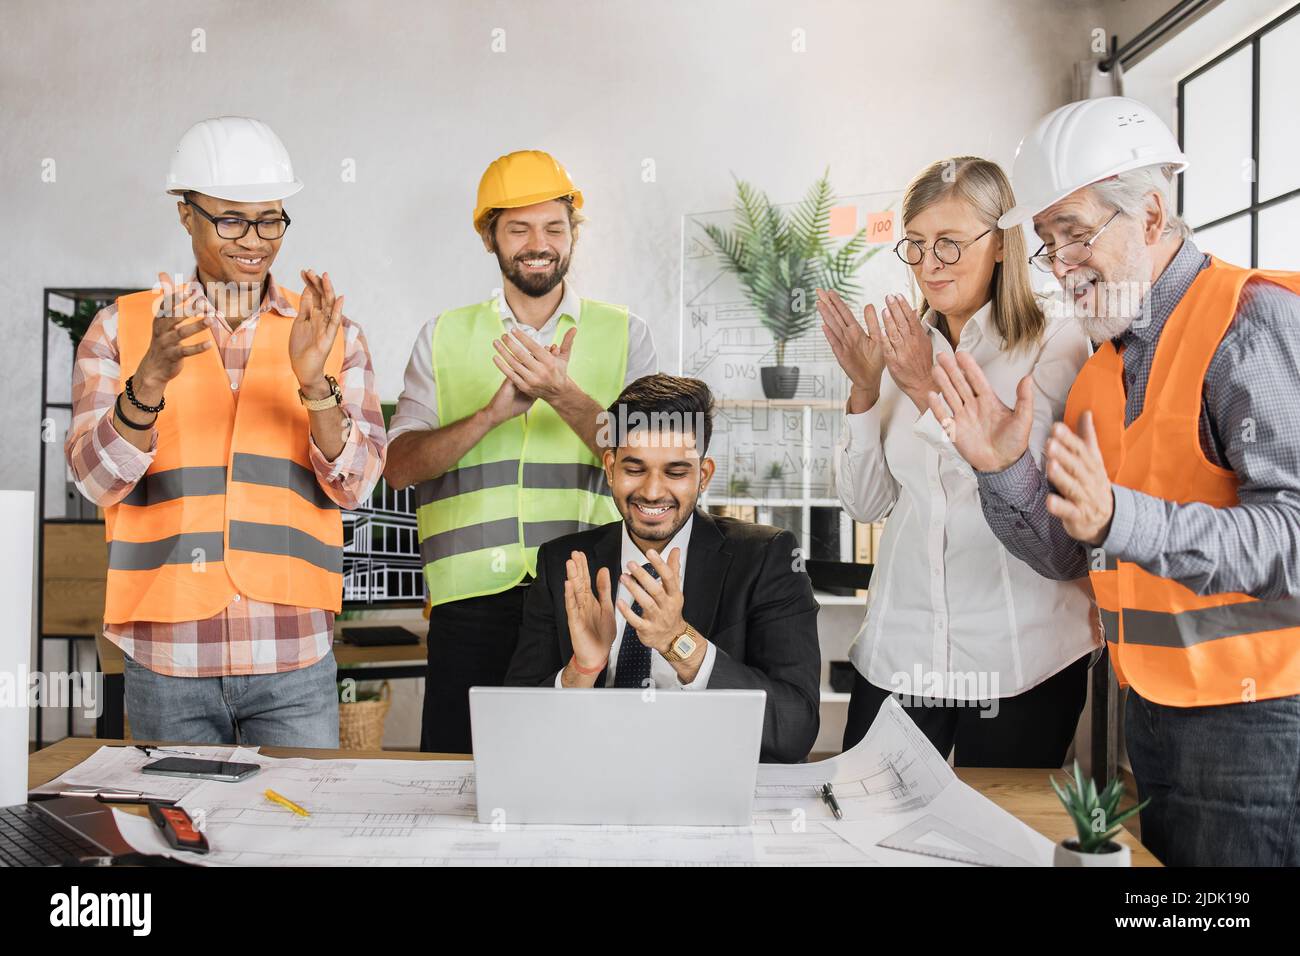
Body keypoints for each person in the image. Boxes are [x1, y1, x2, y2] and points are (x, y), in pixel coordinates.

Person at [935, 96, 1300, 866]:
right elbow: (1074, 554)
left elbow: (1292, 538)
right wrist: (1003, 470)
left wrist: (1120, 519)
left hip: (1261, 716)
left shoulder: (1248, 324)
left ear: (1151, 215)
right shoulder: (1104, 369)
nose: (1061, 265)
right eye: (1047, 244)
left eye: (1075, 233)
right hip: (1152, 710)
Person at [65, 116, 386, 747]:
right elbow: (96, 484)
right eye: (232, 220)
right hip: (168, 653)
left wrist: (314, 384)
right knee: (176, 815)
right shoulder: (121, 329)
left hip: (292, 652)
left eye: (270, 220)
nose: (255, 240)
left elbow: (356, 485)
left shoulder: (328, 332)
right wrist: (147, 381)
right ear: (186, 216)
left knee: (295, 815)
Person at [821, 157, 1097, 766]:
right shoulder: (901, 346)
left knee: (998, 821)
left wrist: (925, 388)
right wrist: (865, 389)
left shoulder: (1055, 340)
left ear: (1000, 243)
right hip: (902, 646)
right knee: (867, 813)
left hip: (1020, 653)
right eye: (915, 245)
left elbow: (1022, 486)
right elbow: (866, 504)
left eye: (949, 243)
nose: (929, 264)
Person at [385, 150, 657, 754]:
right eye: (519, 229)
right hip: (469, 605)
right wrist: (489, 417)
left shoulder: (626, 334)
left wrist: (564, 395)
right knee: (460, 771)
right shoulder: (442, 336)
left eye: (554, 227)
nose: (539, 244)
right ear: (490, 237)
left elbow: (650, 471)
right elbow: (398, 467)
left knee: (583, 768)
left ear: (573, 233)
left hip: (587, 599)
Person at [504, 374, 821, 762]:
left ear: (703, 475)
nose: (652, 492)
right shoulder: (563, 563)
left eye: (675, 472)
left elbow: (794, 728)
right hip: (593, 772)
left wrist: (680, 643)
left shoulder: (767, 557)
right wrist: (581, 670)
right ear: (610, 468)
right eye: (635, 469)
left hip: (708, 775)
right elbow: (515, 726)